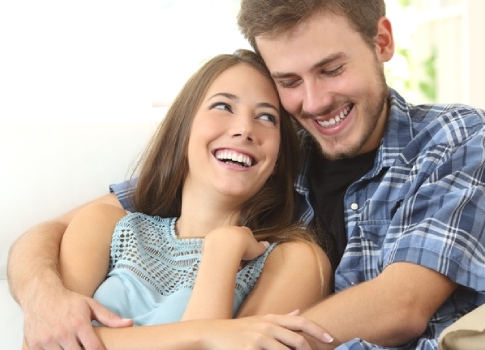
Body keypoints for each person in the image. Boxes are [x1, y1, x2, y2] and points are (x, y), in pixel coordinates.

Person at [7, 0, 485, 349]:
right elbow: (55, 230)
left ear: (382, 40)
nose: (314, 102)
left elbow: (403, 304)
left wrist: (238, 336)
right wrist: (44, 299)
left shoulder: (459, 138)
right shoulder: (266, 153)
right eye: (289, 81)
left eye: (332, 69)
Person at [20, 48, 332, 349]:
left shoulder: (297, 262)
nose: (243, 129)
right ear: (183, 128)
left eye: (266, 117)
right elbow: (43, 342)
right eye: (223, 106)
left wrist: (223, 250)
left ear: (278, 159)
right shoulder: (104, 226)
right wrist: (201, 337)